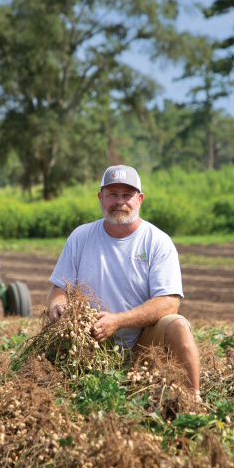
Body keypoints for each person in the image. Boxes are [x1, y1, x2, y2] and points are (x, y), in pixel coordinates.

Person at [47, 165, 200, 394]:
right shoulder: (81, 237)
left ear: (139, 199)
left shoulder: (157, 241)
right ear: (101, 198)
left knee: (177, 324)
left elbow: (169, 302)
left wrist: (117, 321)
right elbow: (60, 288)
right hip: (90, 345)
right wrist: (58, 305)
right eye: (113, 195)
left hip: (143, 347)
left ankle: (192, 401)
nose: (120, 201)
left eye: (127, 195)